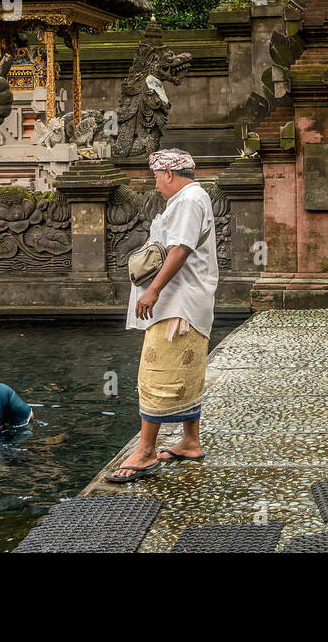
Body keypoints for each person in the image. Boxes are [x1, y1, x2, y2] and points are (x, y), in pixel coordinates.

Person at [107, 148, 218, 482]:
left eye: (157, 177)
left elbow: (181, 248)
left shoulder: (188, 200)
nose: (156, 184)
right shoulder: (191, 198)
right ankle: (189, 441)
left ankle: (144, 452)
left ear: (169, 174)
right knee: (186, 373)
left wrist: (153, 289)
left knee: (157, 376)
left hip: (176, 307)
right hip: (184, 303)